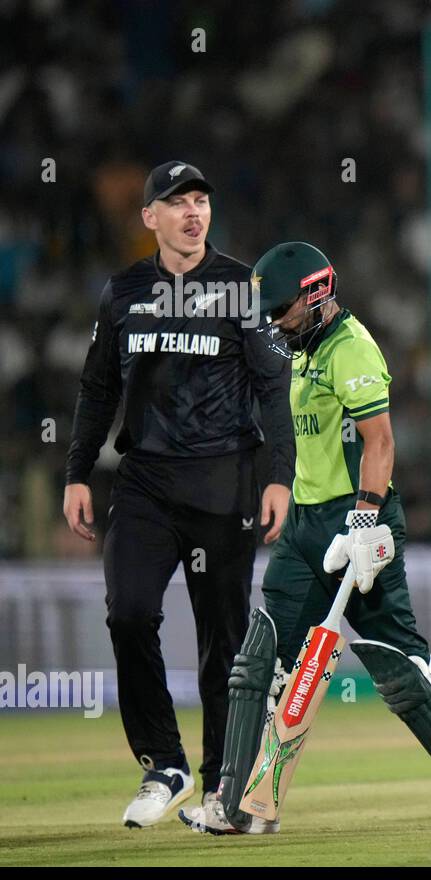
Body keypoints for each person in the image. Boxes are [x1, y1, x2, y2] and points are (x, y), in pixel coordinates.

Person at [179, 242, 431, 834]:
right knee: (258, 659)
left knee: (400, 665)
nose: (275, 322)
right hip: (308, 527)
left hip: (359, 521)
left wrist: (365, 522)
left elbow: (380, 442)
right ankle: (234, 805)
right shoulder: (301, 348)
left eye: (283, 309)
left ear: (316, 296)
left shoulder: (351, 347)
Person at [62, 161, 293, 827]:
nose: (193, 212)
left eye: (200, 201)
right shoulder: (125, 290)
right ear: (149, 218)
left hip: (225, 478)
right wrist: (78, 470)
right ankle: (164, 763)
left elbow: (273, 387)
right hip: (146, 481)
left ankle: (224, 785)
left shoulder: (239, 288)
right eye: (177, 201)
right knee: (128, 612)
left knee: (222, 639)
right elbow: (98, 387)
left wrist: (279, 475)